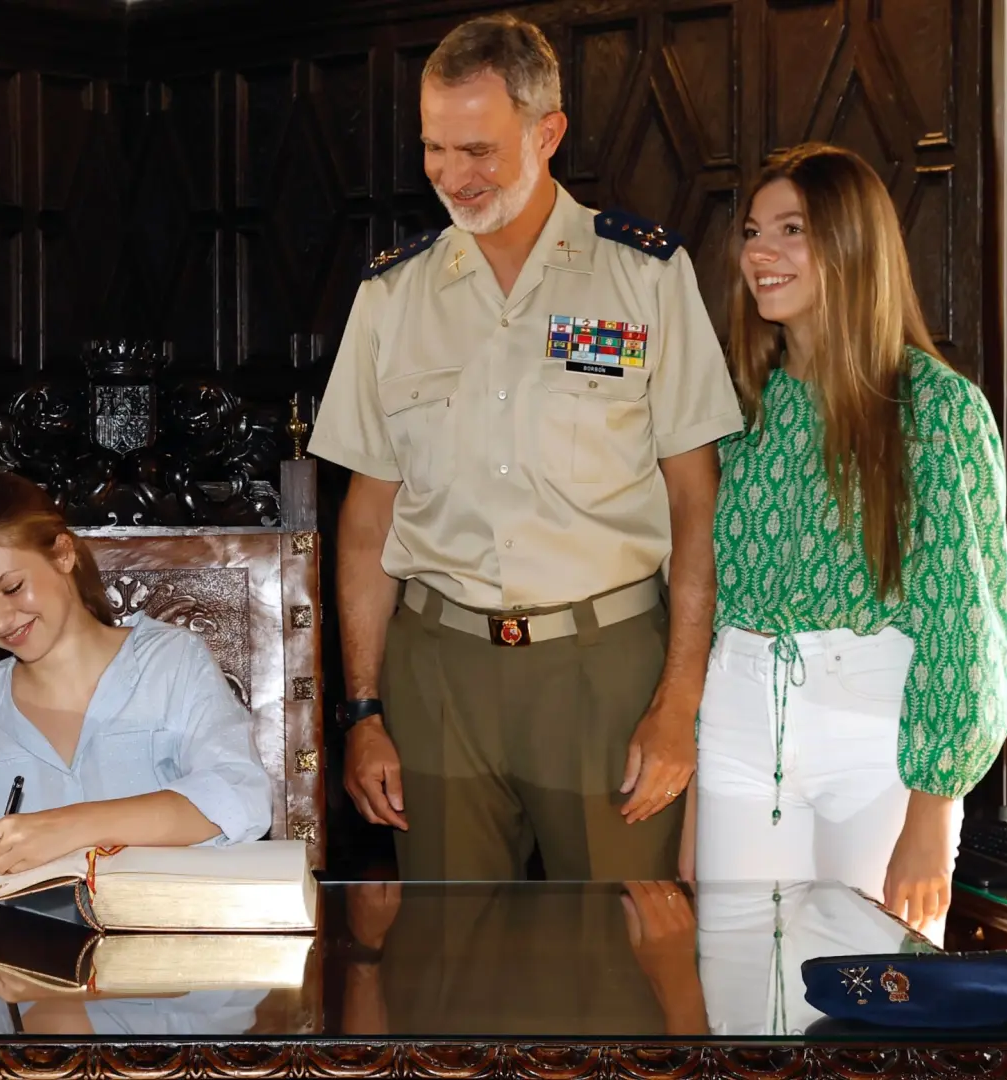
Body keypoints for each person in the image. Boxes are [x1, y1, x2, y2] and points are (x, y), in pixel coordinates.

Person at [308, 13, 741, 881]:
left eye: (478, 150)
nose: (452, 176)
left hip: (607, 672)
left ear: (548, 133)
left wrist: (679, 702)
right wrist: (363, 712)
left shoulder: (644, 275)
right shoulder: (392, 297)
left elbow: (699, 503)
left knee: (620, 966)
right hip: (439, 676)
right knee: (444, 966)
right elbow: (366, 523)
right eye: (435, 148)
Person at [695, 143, 1007, 940]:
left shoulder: (936, 411)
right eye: (753, 231)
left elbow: (967, 623)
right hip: (738, 716)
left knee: (868, 1003)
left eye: (791, 230)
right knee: (736, 1004)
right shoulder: (734, 412)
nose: (760, 253)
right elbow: (704, 601)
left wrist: (935, 812)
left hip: (874, 736)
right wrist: (696, 794)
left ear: (852, 243)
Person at [0, 470, 270, 883]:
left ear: (63, 554)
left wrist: (72, 827)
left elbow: (240, 795)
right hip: (23, 948)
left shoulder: (170, 664)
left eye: (12, 588)